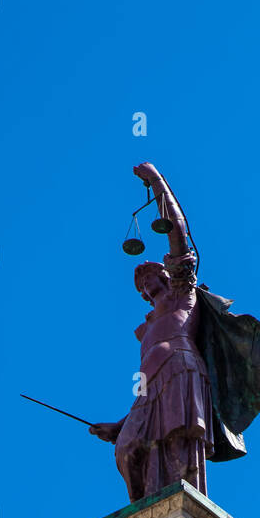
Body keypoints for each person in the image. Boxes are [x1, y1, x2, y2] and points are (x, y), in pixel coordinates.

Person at [89, 162, 215, 500]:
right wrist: (119, 425)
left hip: (181, 370)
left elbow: (179, 236)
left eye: (148, 278)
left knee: (177, 452)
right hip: (150, 385)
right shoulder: (146, 329)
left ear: (164, 275)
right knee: (127, 450)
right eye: (140, 285)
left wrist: (157, 184)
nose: (145, 287)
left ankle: (177, 512)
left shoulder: (181, 294)